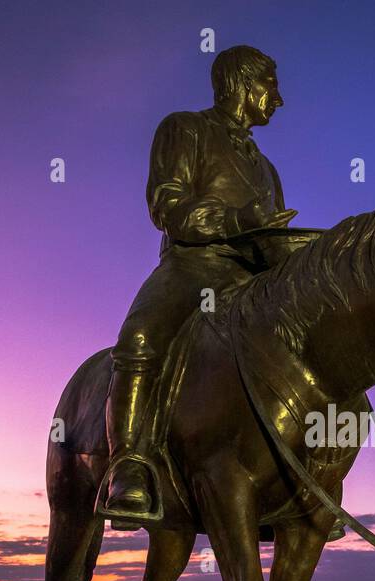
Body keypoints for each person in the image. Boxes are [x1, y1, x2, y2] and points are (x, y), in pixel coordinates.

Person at [100, 45, 294, 525]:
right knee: (140, 339)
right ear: (241, 83)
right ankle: (130, 464)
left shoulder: (268, 170)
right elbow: (167, 206)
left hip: (255, 279)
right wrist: (235, 218)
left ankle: (303, 480)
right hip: (193, 266)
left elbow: (269, 233)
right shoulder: (184, 128)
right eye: (271, 83)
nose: (279, 98)